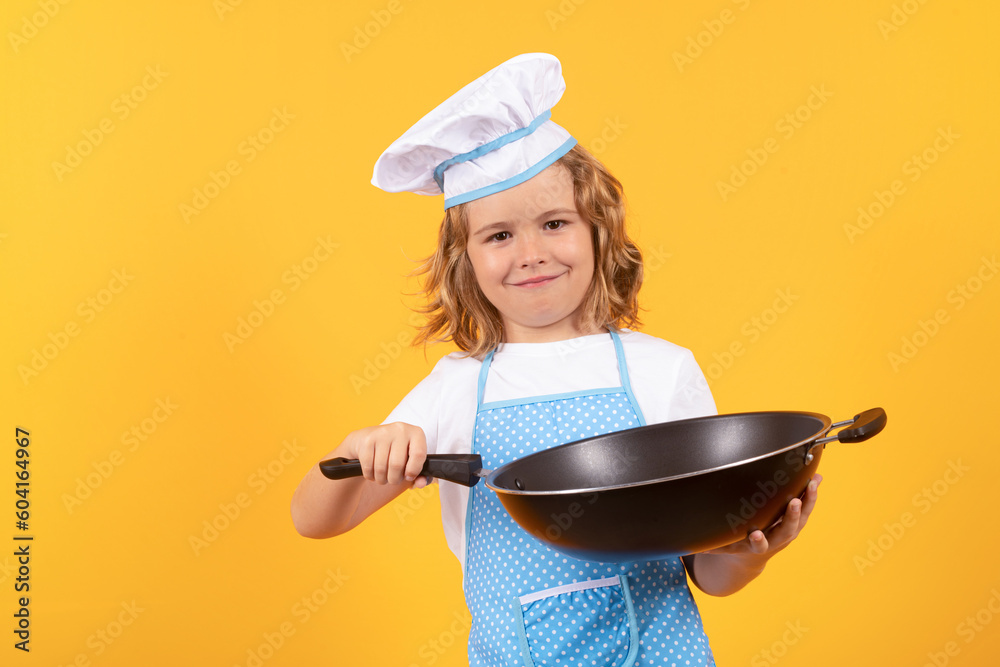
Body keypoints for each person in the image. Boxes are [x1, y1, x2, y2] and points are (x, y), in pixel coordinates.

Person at [290, 53, 821, 666]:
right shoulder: (453, 390)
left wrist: (749, 550)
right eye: (499, 235)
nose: (532, 252)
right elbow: (314, 519)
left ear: (598, 230)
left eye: (554, 223)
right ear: (465, 261)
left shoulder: (662, 371)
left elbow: (711, 573)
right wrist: (362, 451)